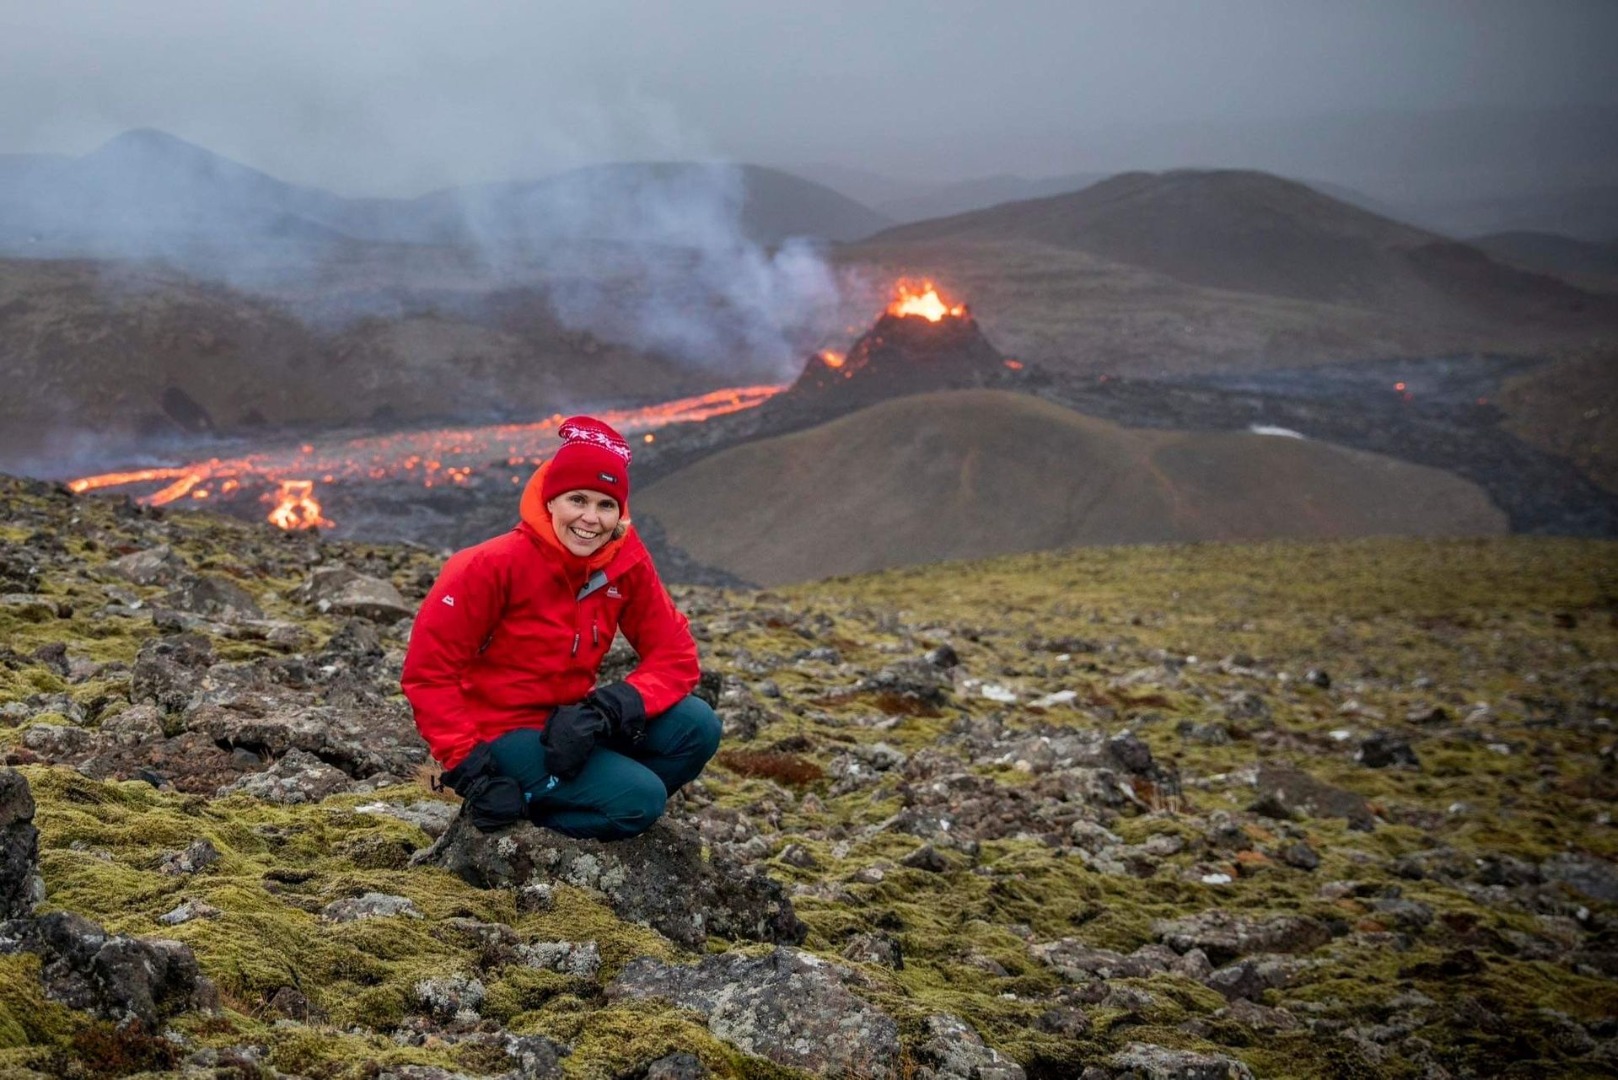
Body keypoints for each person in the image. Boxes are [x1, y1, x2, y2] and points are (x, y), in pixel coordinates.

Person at [402, 415, 719, 840]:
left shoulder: (623, 563)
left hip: (571, 724)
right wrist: (473, 773)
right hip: (501, 732)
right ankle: (525, 823)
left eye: (606, 505)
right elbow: (428, 676)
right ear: (550, 501)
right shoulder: (488, 566)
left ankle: (597, 799)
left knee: (697, 725)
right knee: (640, 799)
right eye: (577, 500)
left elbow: (675, 655)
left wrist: (605, 711)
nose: (591, 519)